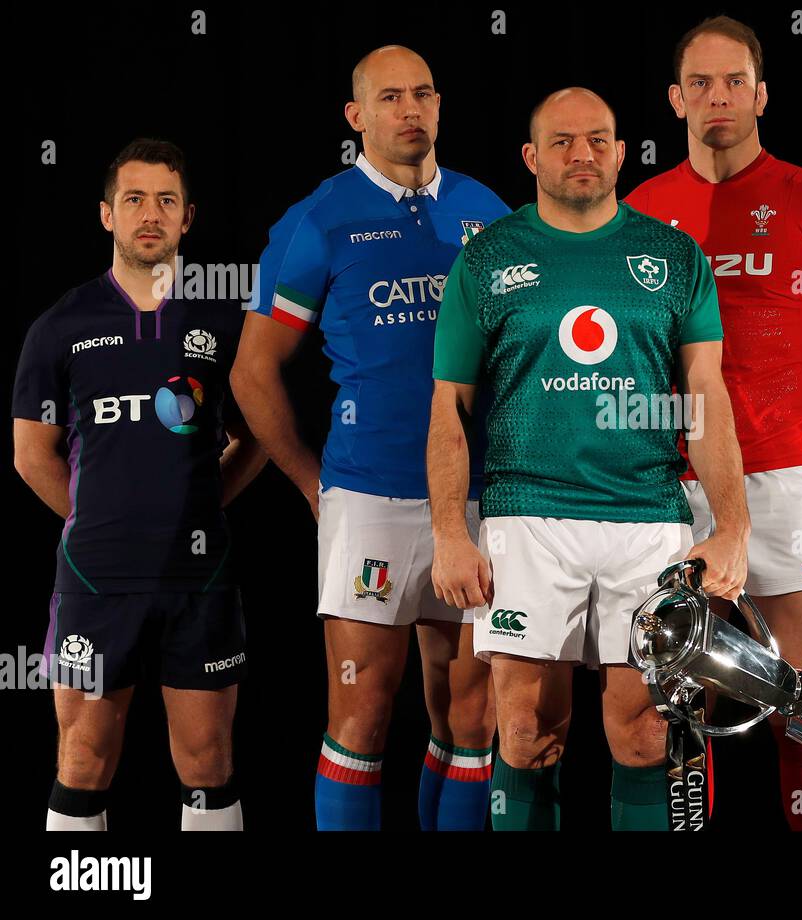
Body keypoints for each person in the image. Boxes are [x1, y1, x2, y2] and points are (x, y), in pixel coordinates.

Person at [429, 86, 748, 831]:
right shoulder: (488, 257)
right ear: (531, 157)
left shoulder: (673, 256)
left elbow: (706, 394)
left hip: (648, 520)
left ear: (622, 151)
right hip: (524, 517)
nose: (584, 155)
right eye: (565, 142)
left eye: (600, 139)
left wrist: (731, 524)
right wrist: (450, 530)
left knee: (645, 732)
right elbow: (448, 408)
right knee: (528, 730)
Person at [231, 46, 510, 831]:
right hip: (369, 499)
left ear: (440, 105)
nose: (410, 109)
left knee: (471, 716)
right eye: (391, 97)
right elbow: (253, 374)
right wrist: (310, 480)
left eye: (423, 93)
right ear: (357, 117)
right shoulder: (319, 219)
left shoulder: (486, 211)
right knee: (361, 721)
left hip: (480, 497)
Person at [625, 15, 802, 832]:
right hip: (668, 483)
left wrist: (801, 456)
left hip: (790, 482)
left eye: (734, 81)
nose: (718, 98)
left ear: (762, 94)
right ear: (675, 99)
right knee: (672, 703)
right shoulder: (637, 210)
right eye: (700, 83)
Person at [14, 138, 265, 831]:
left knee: (209, 759)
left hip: (200, 577)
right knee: (84, 757)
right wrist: (94, 519)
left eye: (165, 200)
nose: (149, 214)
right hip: (95, 580)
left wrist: (201, 504)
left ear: (188, 218)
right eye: (133, 199)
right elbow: (32, 454)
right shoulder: (60, 325)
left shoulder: (221, 321)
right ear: (106, 215)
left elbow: (259, 435)